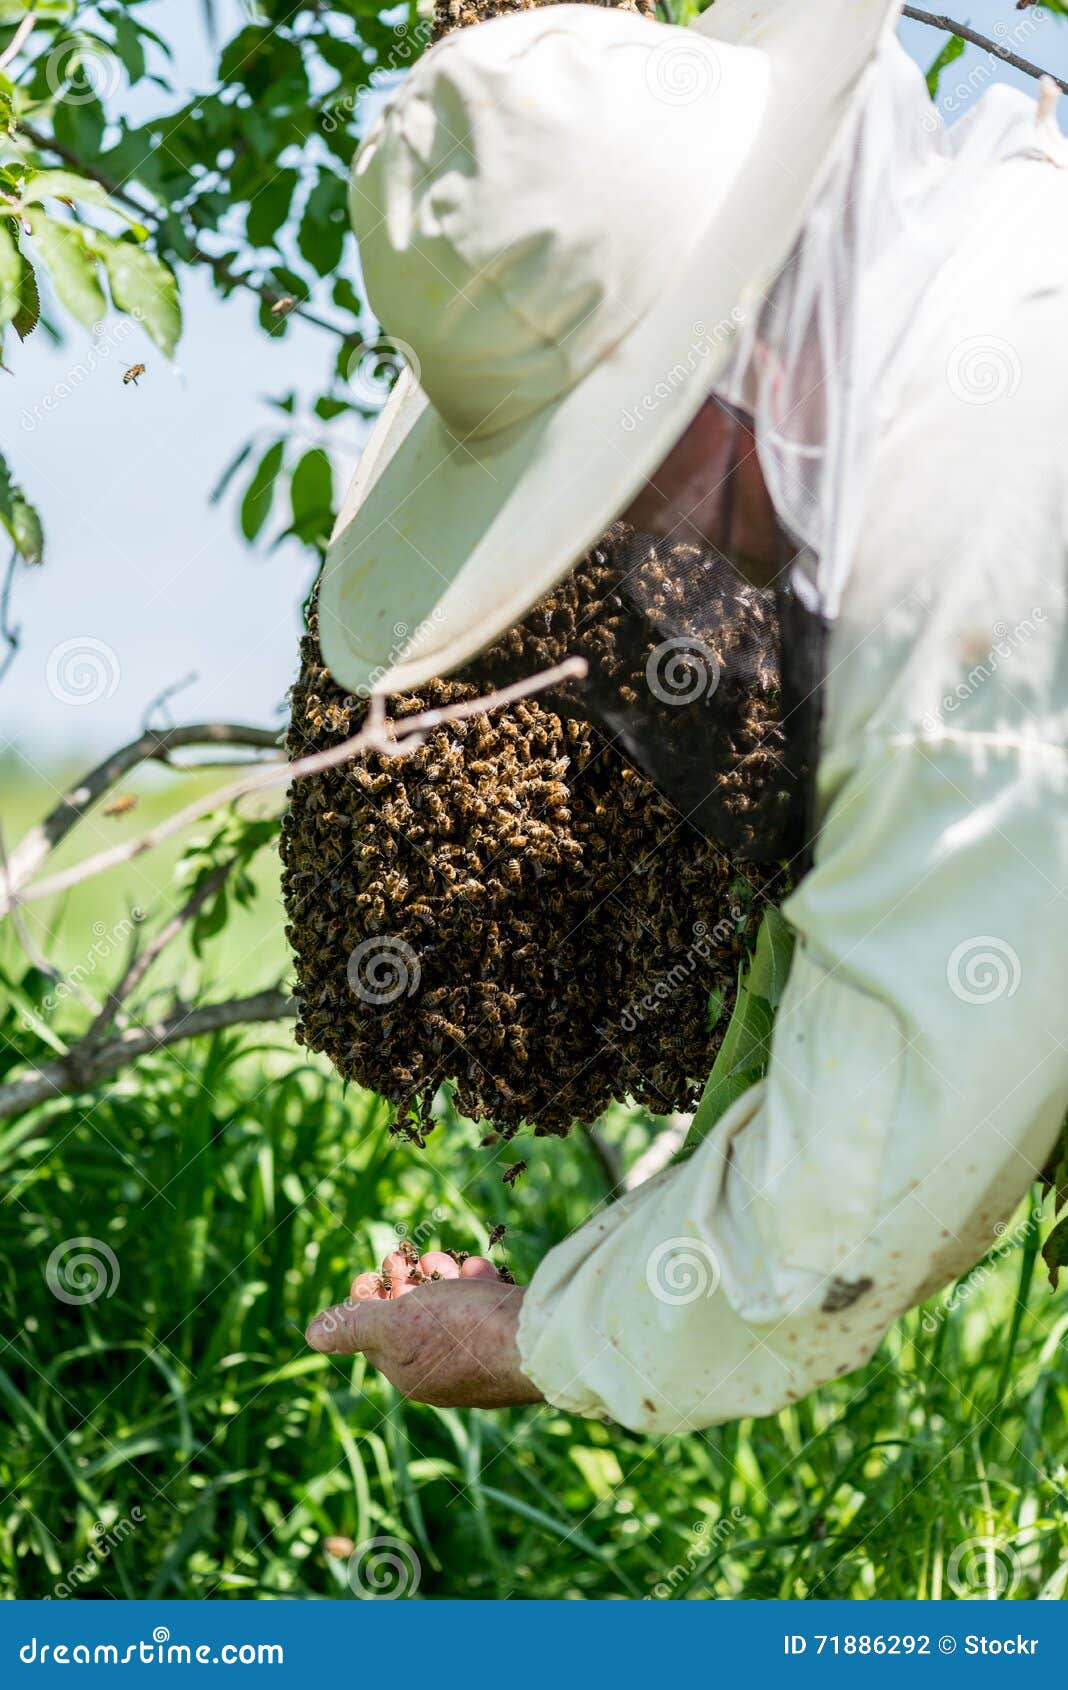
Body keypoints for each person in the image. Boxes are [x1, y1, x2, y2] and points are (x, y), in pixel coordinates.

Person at [304, 0, 1068, 1432]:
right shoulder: (1012, 271)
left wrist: (533, 1337)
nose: (627, 552)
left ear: (716, 377)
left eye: (603, 485)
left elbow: (852, 1209)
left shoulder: (964, 572)